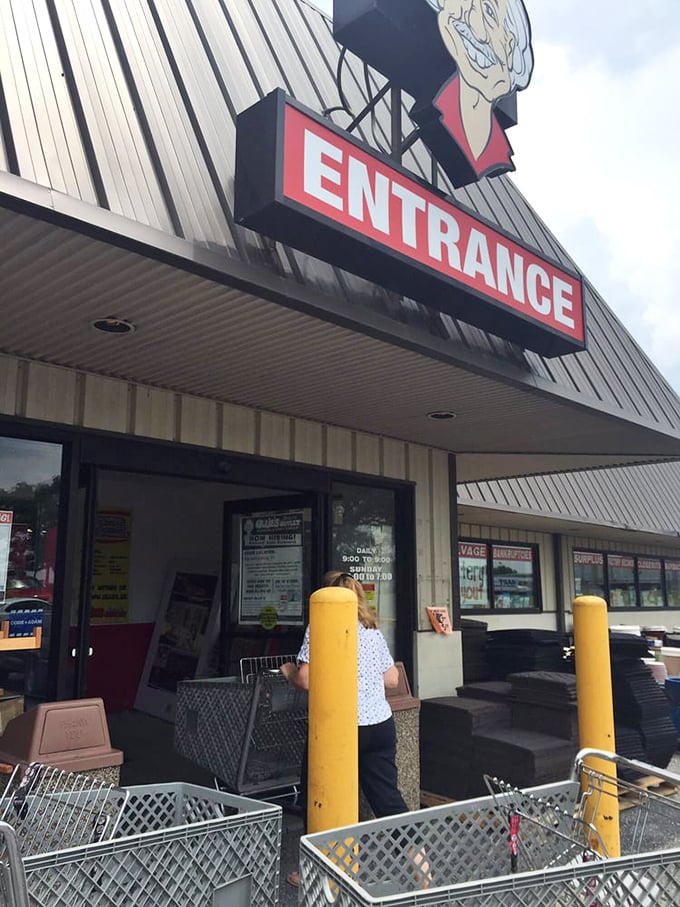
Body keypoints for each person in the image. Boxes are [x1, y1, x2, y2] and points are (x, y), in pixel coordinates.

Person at [280, 570, 414, 888]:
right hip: (380, 725)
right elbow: (392, 679)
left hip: (339, 730)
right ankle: (422, 866)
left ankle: (319, 873)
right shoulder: (371, 630)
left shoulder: (321, 626)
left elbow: (306, 679)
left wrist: (288, 671)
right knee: (388, 799)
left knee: (319, 797)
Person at [424, 0, 534, 178]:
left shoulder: (495, 154)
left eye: (489, 12)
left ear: (510, 47)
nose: (470, 18)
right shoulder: (435, 109)